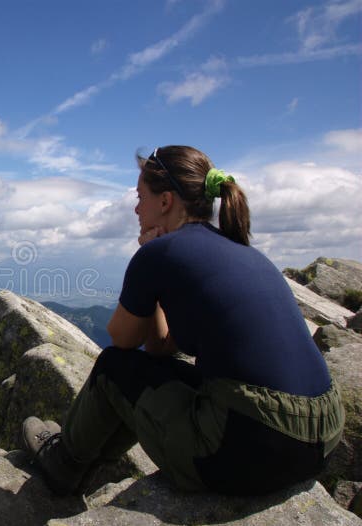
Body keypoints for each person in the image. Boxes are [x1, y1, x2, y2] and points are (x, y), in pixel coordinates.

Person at [22, 145, 345, 496]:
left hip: (255, 451)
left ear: (165, 201)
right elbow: (161, 348)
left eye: (140, 196)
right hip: (323, 434)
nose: (135, 207)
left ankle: (64, 463)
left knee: (114, 367)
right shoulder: (243, 250)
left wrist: (147, 255)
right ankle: (92, 466)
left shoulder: (160, 253)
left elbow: (123, 341)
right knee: (172, 376)